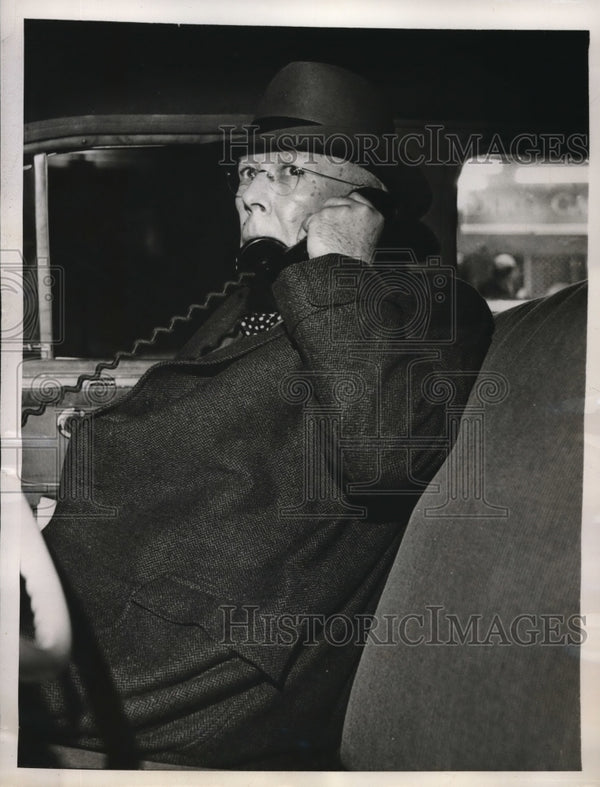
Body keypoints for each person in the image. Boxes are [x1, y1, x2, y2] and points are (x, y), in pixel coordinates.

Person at [20, 62, 494, 770]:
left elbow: (390, 456)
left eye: (287, 171)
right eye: (246, 171)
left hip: (199, 653)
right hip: (108, 587)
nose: (249, 193)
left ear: (361, 200)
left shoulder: (434, 307)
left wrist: (338, 265)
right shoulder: (254, 300)